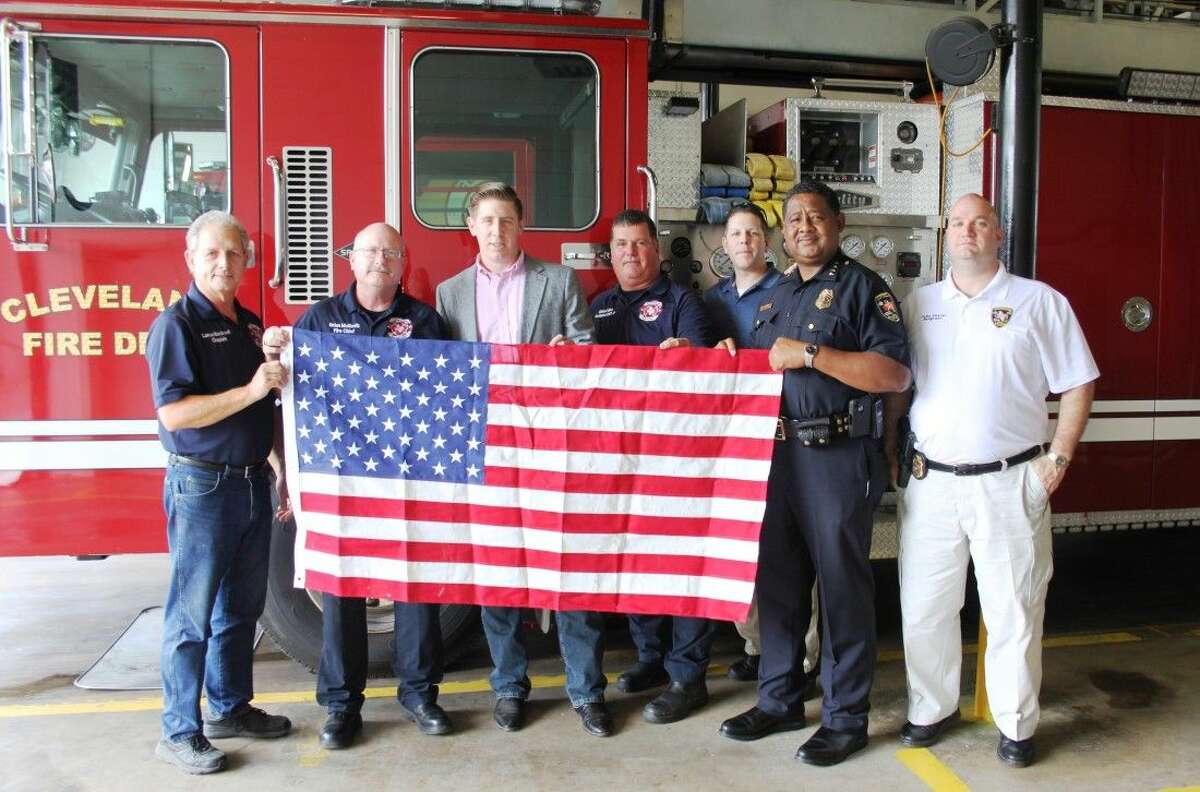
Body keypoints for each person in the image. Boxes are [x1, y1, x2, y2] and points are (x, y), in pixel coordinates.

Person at [893, 193, 1097, 768]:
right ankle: (929, 709)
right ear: (945, 235)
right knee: (924, 605)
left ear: (997, 234)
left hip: (1010, 482)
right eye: (956, 223)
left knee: (1013, 608)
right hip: (930, 483)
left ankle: (1015, 724)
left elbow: (1078, 382)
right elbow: (901, 386)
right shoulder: (921, 303)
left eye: (979, 222)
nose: (966, 232)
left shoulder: (1039, 301)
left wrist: (1057, 459)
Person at [715, 182, 910, 766]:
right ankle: (778, 699)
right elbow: (762, 370)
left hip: (837, 456)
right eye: (794, 218)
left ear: (838, 222)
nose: (803, 226)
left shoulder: (862, 289)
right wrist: (726, 354)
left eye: (815, 217)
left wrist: (813, 354)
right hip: (776, 459)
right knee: (777, 585)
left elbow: (894, 374)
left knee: (843, 587)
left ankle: (846, 718)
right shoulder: (775, 297)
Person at [262, 223, 452, 750]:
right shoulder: (319, 321)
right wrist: (287, 473)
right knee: (341, 585)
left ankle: (420, 694)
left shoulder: (427, 321)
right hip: (341, 477)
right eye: (370, 252)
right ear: (351, 259)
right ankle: (342, 706)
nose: (380, 262)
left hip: (412, 477)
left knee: (415, 583)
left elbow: (447, 397)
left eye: (391, 253)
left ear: (403, 261)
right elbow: (288, 393)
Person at [434, 182, 611, 737]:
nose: (496, 231)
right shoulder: (450, 292)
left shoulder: (556, 281)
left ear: (520, 225)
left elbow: (588, 351)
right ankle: (509, 687)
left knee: (571, 564)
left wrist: (570, 356)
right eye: (486, 221)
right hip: (488, 449)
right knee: (498, 571)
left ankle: (586, 690)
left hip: (553, 448)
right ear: (471, 227)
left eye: (506, 220)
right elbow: (444, 373)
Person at [146, 211, 293, 775]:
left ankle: (230, 708)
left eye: (233, 254)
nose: (223, 264)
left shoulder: (250, 326)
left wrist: (280, 468)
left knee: (241, 609)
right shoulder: (176, 325)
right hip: (202, 484)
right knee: (191, 615)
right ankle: (178, 730)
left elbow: (265, 408)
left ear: (248, 260)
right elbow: (175, 413)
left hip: (253, 480)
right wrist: (252, 386)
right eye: (211, 253)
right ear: (191, 259)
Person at [589, 208, 716, 724]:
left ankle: (689, 676)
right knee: (637, 557)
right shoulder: (599, 308)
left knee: (684, 563)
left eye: (639, 245)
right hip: (622, 455)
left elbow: (706, 370)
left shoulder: (684, 301)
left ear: (656, 251)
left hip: (678, 454)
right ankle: (651, 659)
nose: (630, 254)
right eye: (620, 246)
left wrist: (686, 353)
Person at [702, 203, 818, 692]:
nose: (744, 241)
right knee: (737, 544)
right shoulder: (710, 300)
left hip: (781, 432)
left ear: (766, 243)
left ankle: (806, 657)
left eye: (753, 232)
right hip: (731, 436)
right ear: (723, 246)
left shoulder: (790, 291)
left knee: (786, 549)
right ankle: (757, 646)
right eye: (735, 234)